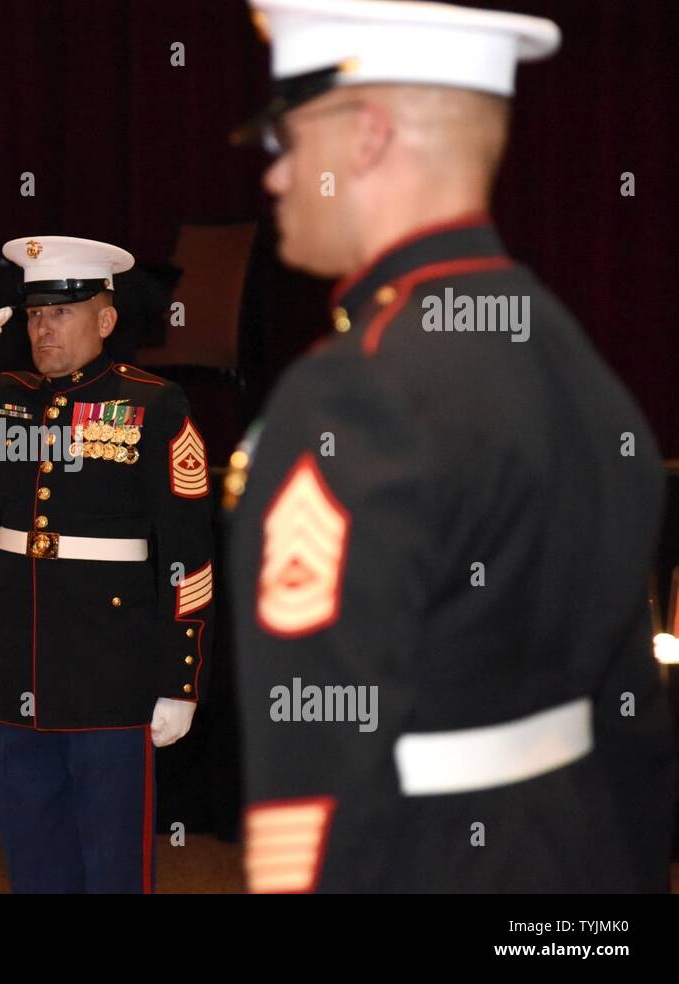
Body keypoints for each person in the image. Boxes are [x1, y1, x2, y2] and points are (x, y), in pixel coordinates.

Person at [229, 0, 675, 893]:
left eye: (286, 143)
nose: (274, 179)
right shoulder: (571, 358)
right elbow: (632, 718)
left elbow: (316, 760)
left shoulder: (354, 393)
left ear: (365, 137)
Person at [0, 236, 216, 892]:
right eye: (35, 313)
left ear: (106, 320)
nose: (43, 327)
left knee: (112, 863)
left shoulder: (152, 406)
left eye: (62, 311)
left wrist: (181, 678)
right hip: (13, 661)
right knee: (34, 861)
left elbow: (188, 555)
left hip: (109, 668)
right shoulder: (7, 400)